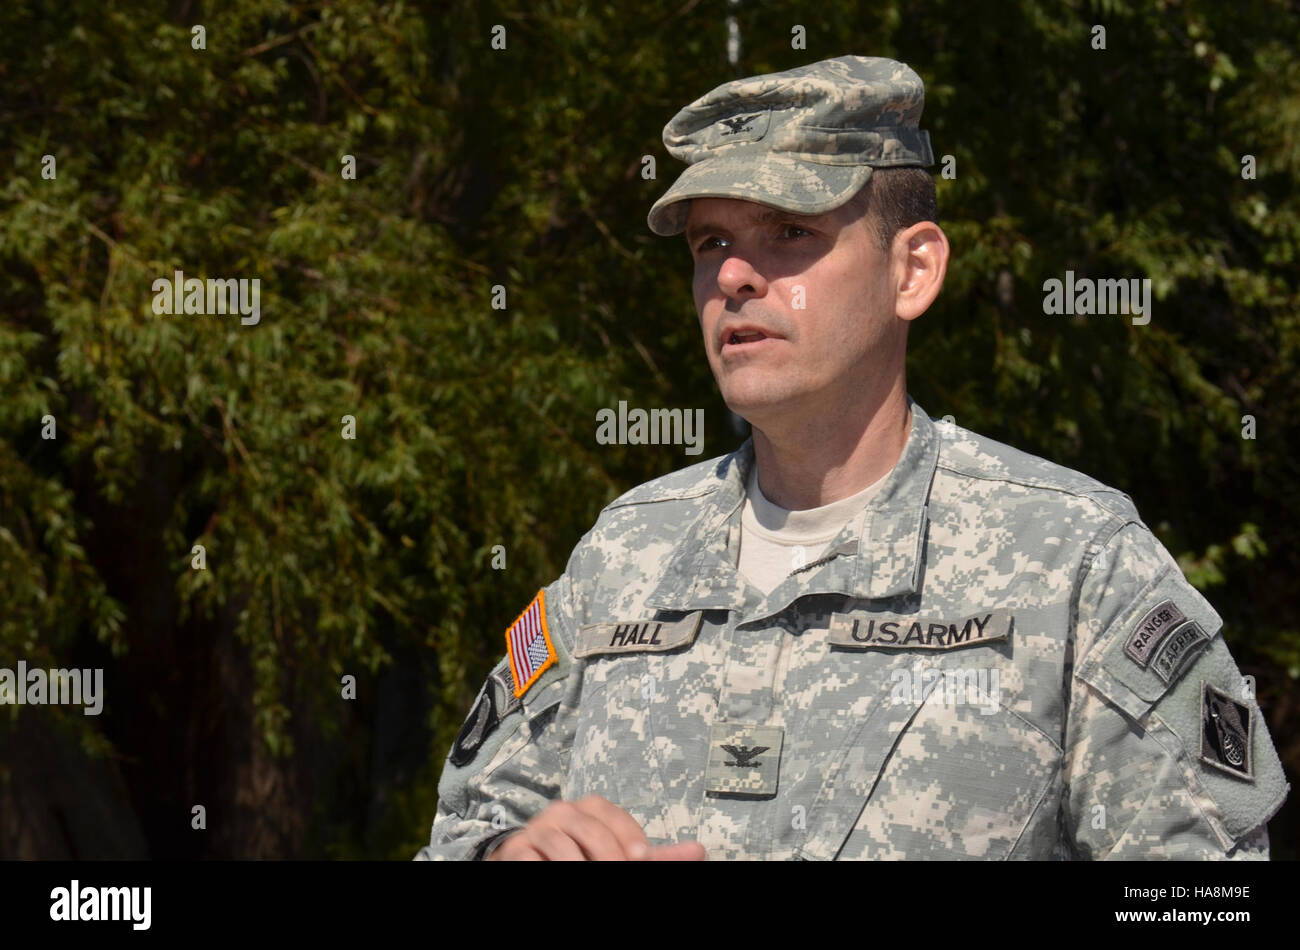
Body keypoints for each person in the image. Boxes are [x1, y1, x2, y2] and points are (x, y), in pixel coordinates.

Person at [414, 55, 1288, 861]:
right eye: (711, 243)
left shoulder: (1075, 561)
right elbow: (461, 831)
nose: (732, 279)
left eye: (789, 233)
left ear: (913, 271)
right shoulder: (621, 559)